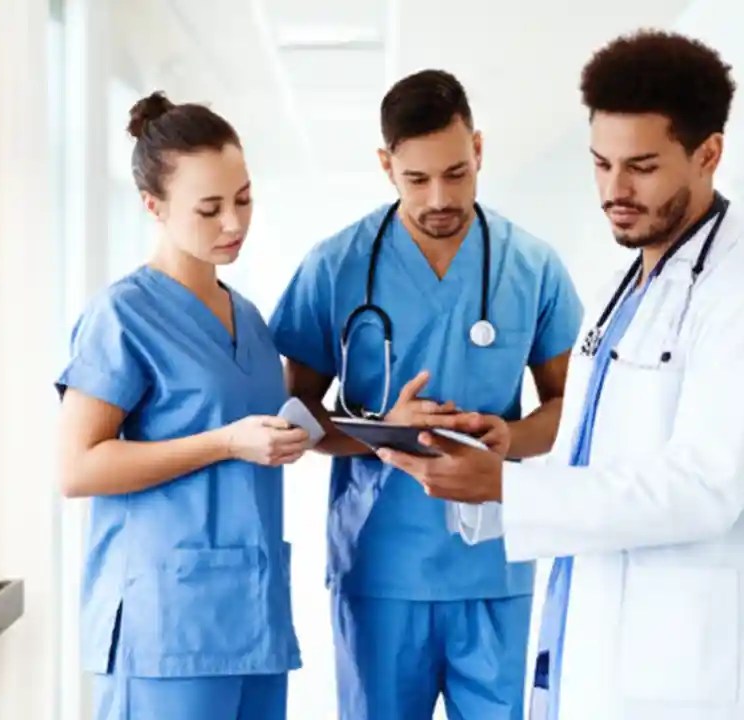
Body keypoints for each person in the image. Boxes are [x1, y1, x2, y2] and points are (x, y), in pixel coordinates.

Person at [380, 31, 744, 720]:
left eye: (641, 166)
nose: (615, 190)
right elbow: (594, 464)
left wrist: (510, 489)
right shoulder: (623, 290)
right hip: (590, 641)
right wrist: (494, 463)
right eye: (601, 164)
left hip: (684, 668)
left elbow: (703, 490)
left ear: (709, 154)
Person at [269, 69, 585, 720]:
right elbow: (296, 421)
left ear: (479, 150)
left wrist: (512, 438)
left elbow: (568, 408)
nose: (440, 196)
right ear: (386, 165)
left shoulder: (532, 267)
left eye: (457, 173)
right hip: (382, 566)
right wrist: (383, 426)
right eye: (416, 179)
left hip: (495, 563)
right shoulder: (336, 266)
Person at [55, 92, 308, 720]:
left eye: (243, 199)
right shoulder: (122, 316)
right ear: (154, 206)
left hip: (253, 618)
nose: (234, 224)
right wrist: (225, 442)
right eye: (210, 208)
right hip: (165, 625)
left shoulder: (248, 318)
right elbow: (77, 468)